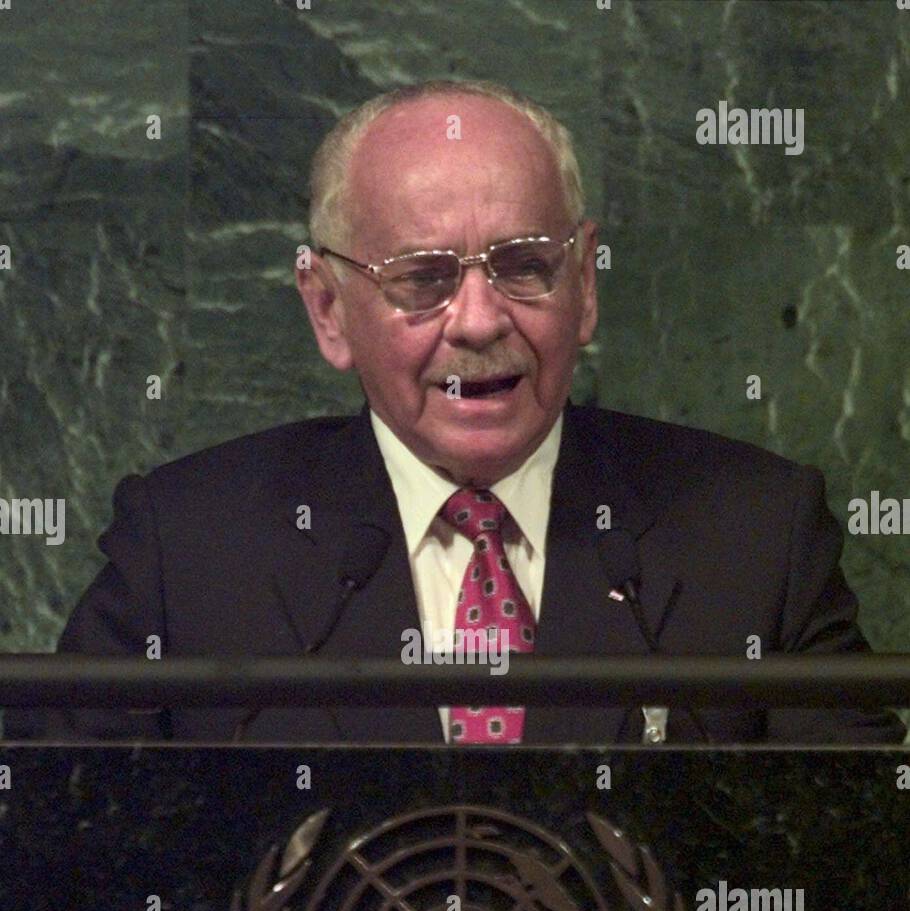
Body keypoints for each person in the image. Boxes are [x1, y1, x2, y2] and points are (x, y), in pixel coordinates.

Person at [3, 78, 904, 745]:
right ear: (327, 309)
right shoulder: (185, 550)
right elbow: (71, 881)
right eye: (422, 279)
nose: (478, 321)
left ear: (585, 283)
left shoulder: (757, 538)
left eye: (523, 264)